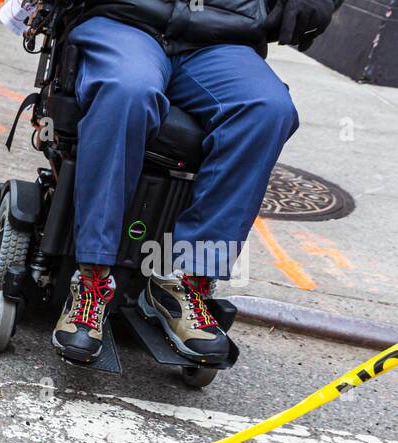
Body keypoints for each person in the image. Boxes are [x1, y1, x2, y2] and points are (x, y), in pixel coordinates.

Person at [38, 0, 338, 363]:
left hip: (223, 33)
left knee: (267, 109)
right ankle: (92, 279)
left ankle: (187, 282)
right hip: (125, 19)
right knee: (128, 90)